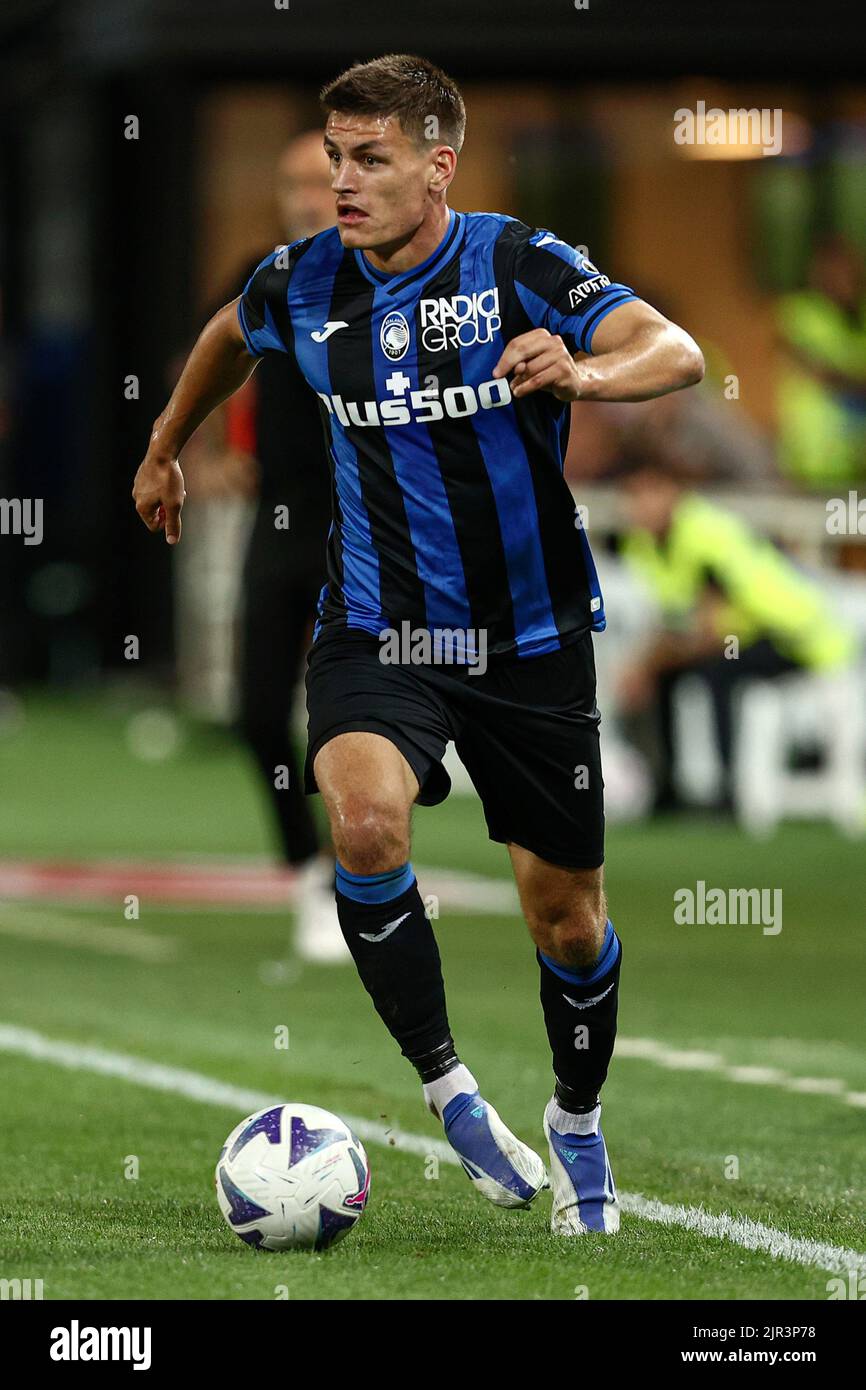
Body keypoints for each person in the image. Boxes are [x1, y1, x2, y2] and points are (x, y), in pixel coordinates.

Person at [133, 54, 703, 1237]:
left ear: (436, 165)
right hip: (377, 626)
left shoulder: (512, 261)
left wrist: (583, 369)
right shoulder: (300, 279)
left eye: (369, 159)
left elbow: (676, 350)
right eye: (333, 157)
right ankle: (449, 1092)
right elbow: (227, 335)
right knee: (363, 821)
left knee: (567, 920)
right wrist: (165, 441)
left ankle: (577, 1117)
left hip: (529, 638)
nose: (341, 181)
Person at [230, 133, 346, 962]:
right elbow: (211, 361)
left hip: (365, 522)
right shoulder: (263, 279)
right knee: (255, 712)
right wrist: (200, 451)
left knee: (348, 718)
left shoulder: (381, 279)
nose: (305, 198)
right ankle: (308, 870)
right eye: (290, 182)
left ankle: (358, 880)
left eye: (320, 181)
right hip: (277, 522)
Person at [617, 462, 857, 812]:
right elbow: (674, 618)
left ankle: (729, 793)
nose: (641, 506)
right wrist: (645, 666)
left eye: (650, 492)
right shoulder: (643, 544)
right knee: (667, 676)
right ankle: (666, 789)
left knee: (718, 673)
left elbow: (714, 629)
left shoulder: (706, 533)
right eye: (634, 496)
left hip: (799, 636)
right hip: (748, 632)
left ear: (674, 492)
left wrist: (646, 666)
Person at [776, 234, 866, 490]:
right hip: (814, 458)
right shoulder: (798, 313)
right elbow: (820, 371)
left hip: (857, 457)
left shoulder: (859, 316)